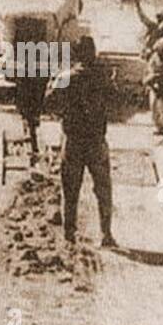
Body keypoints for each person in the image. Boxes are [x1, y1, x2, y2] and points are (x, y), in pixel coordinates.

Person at [44, 35, 115, 247]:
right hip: (96, 141)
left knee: (70, 189)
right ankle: (106, 234)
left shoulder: (67, 78)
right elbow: (117, 100)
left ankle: (69, 234)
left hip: (74, 140)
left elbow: (49, 103)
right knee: (103, 189)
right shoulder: (102, 77)